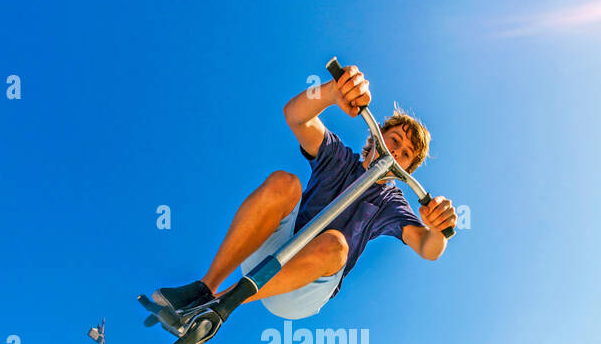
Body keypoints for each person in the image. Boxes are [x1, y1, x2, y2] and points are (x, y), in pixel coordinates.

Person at [151, 64, 457, 327]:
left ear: (407, 169)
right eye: (394, 141)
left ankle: (222, 304)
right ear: (376, 136)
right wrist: (331, 93)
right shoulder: (337, 156)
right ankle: (206, 289)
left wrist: (439, 229)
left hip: (304, 289)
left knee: (338, 245)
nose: (395, 153)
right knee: (285, 182)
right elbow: (296, 116)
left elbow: (428, 247)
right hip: (271, 254)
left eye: (405, 155)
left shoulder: (391, 204)